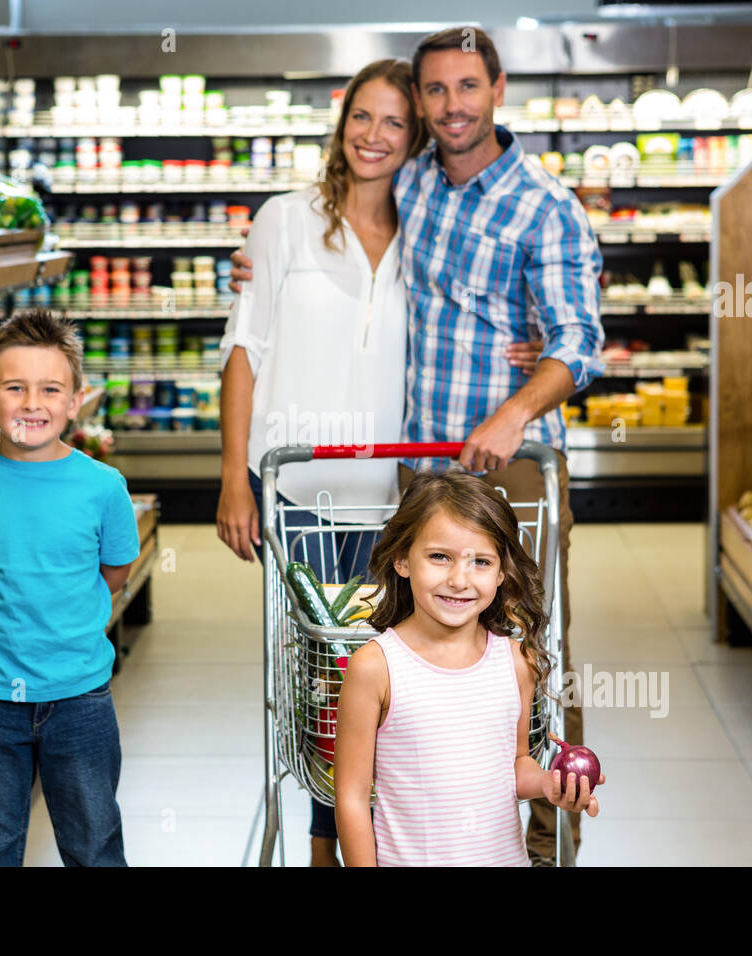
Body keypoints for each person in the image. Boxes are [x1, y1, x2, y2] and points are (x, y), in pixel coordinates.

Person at [233, 26, 605, 865]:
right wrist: (260, 261)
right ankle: (403, 830)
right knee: (409, 656)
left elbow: (581, 340)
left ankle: (542, 841)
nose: (450, 108)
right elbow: (333, 223)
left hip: (511, 470)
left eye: (466, 88)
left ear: (498, 89)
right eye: (434, 93)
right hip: (417, 473)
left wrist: (518, 404)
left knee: (526, 653)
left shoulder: (547, 205)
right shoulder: (419, 185)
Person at [0, 308, 141, 867]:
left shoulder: (103, 488)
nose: (32, 403)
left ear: (75, 401)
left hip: (80, 698)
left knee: (95, 842)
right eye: (14, 387)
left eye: (50, 389)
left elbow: (113, 573)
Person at [334, 471, 602, 866]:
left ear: (501, 573)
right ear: (402, 559)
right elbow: (352, 798)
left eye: (480, 561)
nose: (459, 580)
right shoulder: (377, 667)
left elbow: (514, 765)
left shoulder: (515, 662)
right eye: (439, 556)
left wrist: (549, 784)